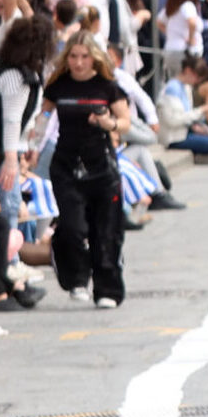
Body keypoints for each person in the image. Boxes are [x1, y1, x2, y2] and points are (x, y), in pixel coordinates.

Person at [46, 31, 134, 307]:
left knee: (106, 230)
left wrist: (109, 125)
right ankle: (76, 277)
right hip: (66, 165)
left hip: (101, 166)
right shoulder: (59, 85)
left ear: (94, 57)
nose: (79, 63)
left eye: (84, 57)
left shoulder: (107, 86)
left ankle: (107, 289)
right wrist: (30, 144)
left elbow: (125, 122)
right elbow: (42, 115)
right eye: (73, 56)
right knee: (73, 227)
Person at [0, 0, 53, 309]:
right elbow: (10, 121)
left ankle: (12, 278)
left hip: (7, 149)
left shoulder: (9, 71)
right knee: (8, 214)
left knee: (9, 215)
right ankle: (10, 278)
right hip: (2, 152)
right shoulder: (18, 79)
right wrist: (10, 157)